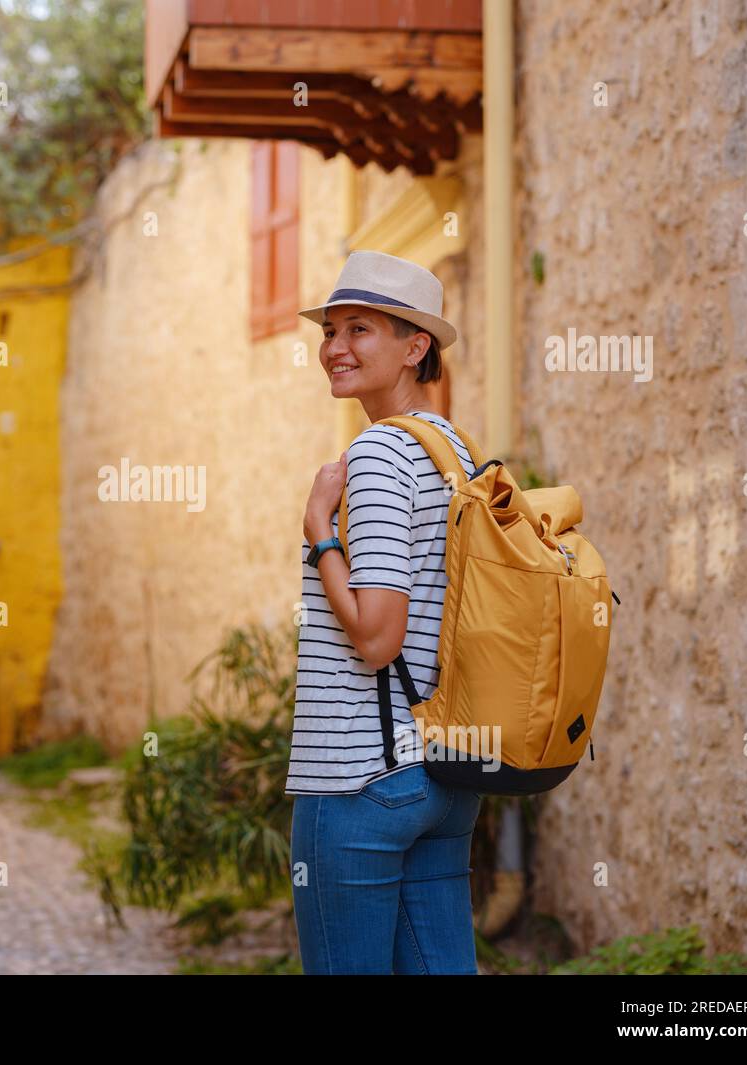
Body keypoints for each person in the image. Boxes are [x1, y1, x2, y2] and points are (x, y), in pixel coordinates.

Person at [287, 250, 484, 975]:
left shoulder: (377, 453)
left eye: (359, 329)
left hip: (357, 777)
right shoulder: (455, 450)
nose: (335, 348)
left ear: (415, 345)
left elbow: (376, 634)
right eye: (331, 330)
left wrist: (320, 532)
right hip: (439, 775)